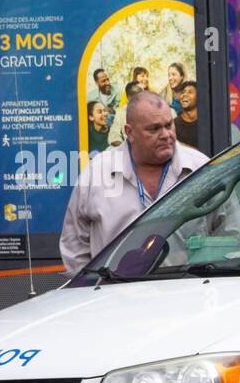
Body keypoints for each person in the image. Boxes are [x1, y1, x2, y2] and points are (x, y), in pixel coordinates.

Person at [60, 91, 208, 274]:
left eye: (169, 125)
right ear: (129, 132)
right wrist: (91, 286)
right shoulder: (98, 171)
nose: (166, 135)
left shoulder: (200, 168)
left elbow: (234, 233)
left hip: (187, 293)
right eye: (154, 129)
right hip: (115, 296)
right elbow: (74, 242)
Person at [106, 81, 142, 148]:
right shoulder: (121, 113)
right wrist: (125, 148)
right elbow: (113, 135)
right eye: (138, 95)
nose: (142, 98)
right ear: (129, 97)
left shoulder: (149, 109)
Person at [173, 80, 199, 149]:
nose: (185, 94)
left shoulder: (205, 124)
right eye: (183, 92)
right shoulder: (173, 125)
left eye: (190, 92)